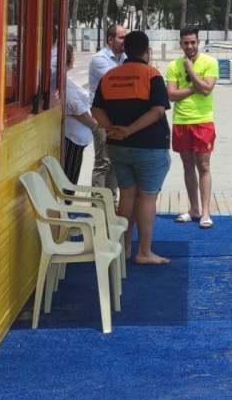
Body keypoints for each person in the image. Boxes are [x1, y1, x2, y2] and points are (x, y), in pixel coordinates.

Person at [91, 31, 171, 265]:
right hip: (149, 147)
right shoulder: (151, 75)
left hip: (118, 147)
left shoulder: (111, 76)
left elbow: (96, 110)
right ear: (147, 51)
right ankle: (144, 251)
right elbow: (157, 111)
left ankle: (124, 248)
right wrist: (130, 129)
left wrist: (112, 129)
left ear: (125, 51)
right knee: (147, 197)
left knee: (126, 193)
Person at [166, 27, 219, 229]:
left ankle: (205, 212)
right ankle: (194, 208)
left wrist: (190, 71)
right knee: (187, 165)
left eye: (193, 42)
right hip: (181, 121)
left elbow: (207, 90)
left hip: (203, 120)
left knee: (203, 166)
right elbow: (171, 95)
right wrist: (195, 86)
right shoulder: (173, 65)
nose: (189, 46)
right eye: (186, 42)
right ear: (181, 44)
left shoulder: (209, 62)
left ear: (199, 42)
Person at [88, 24, 127, 192]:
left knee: (115, 162)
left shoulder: (125, 58)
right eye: (121, 37)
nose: (125, 41)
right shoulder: (100, 59)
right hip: (101, 117)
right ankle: (98, 206)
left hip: (118, 116)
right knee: (103, 162)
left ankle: (111, 204)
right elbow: (118, 82)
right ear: (110, 40)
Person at [61, 45, 97, 184]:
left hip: (77, 140)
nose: (74, 58)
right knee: (68, 179)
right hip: (72, 139)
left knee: (72, 176)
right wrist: (94, 124)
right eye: (72, 56)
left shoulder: (67, 80)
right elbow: (76, 108)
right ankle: (66, 204)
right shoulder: (64, 82)